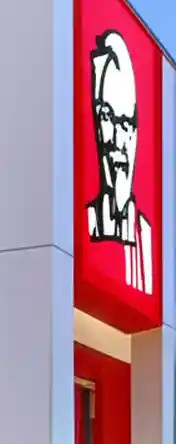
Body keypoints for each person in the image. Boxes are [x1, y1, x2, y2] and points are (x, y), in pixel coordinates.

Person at [87, 30, 153, 295]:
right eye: (106, 117)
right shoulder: (84, 220)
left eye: (126, 123)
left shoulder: (145, 241)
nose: (116, 138)